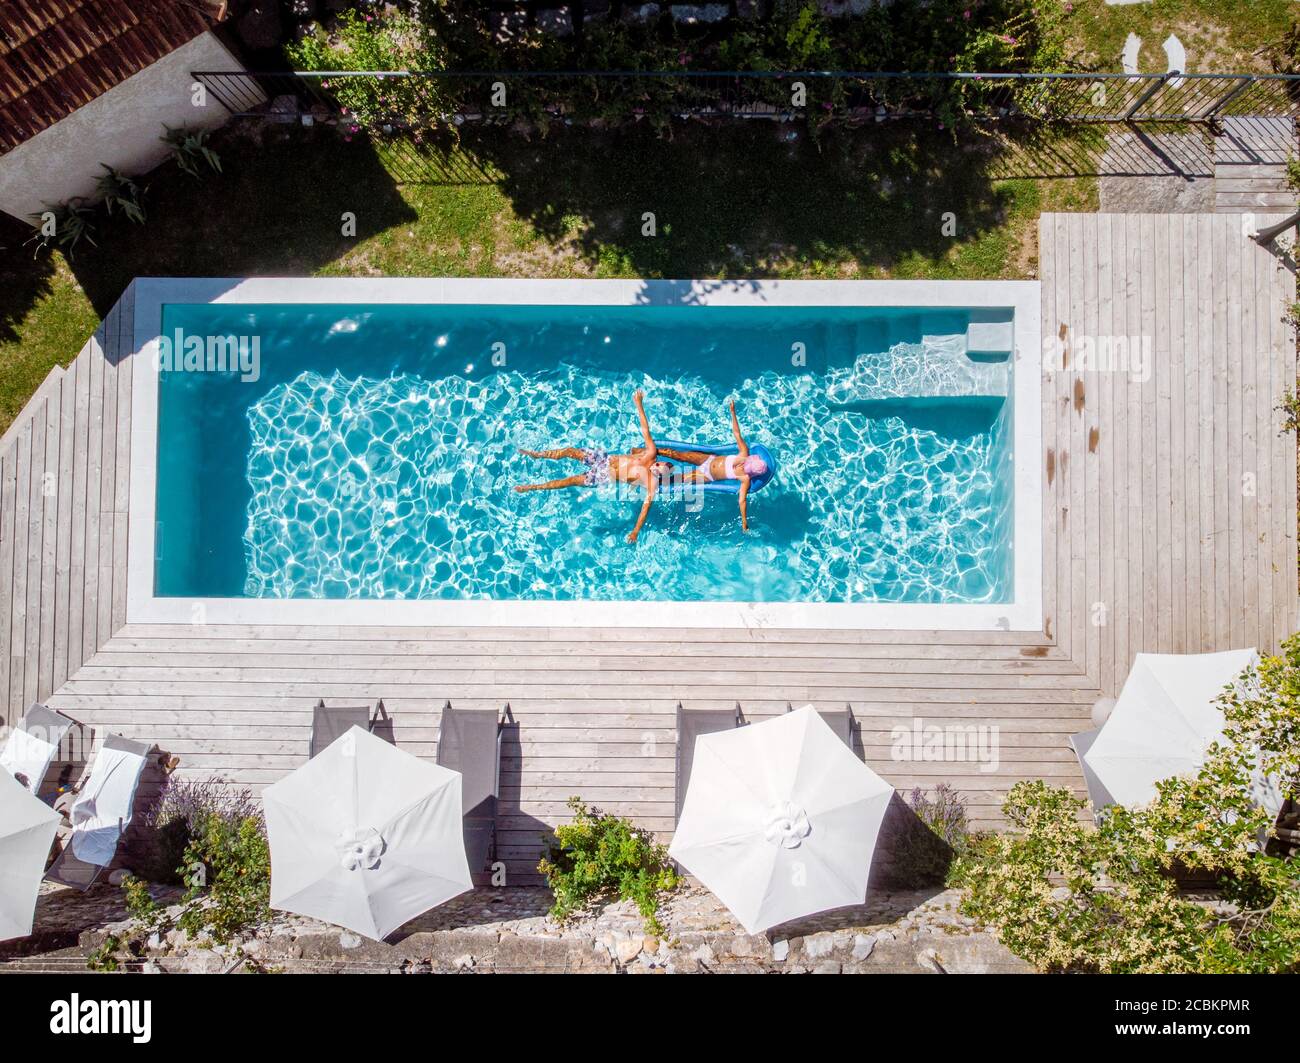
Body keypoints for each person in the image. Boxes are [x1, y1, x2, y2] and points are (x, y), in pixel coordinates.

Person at [515, 389, 670, 544]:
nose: (655, 467)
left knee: (570, 480)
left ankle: (532, 487)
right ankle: (537, 454)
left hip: (603, 475)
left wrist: (635, 532)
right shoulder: (650, 452)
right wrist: (639, 404)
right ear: (659, 461)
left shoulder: (651, 483)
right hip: (604, 459)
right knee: (570, 451)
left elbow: (644, 509)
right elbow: (645, 429)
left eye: (657, 471)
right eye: (658, 464)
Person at [655, 399, 766, 532]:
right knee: (680, 455)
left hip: (707, 475)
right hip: (707, 459)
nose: (742, 466)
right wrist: (732, 413)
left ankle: (657, 481)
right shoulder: (743, 453)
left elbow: (742, 501)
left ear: (751, 471)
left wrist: (744, 522)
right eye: (746, 464)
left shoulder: (745, 478)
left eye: (746, 468)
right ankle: (654, 451)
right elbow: (737, 433)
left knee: (682, 478)